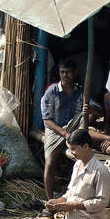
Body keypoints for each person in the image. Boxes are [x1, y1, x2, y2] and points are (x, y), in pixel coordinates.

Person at [40, 59, 95, 198]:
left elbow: (99, 112)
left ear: (74, 73)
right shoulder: (51, 92)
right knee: (50, 163)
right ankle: (50, 200)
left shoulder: (82, 92)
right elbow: (47, 120)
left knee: (80, 160)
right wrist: (65, 133)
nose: (65, 75)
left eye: (68, 72)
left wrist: (90, 110)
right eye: (62, 72)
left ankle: (76, 196)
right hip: (55, 129)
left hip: (75, 129)